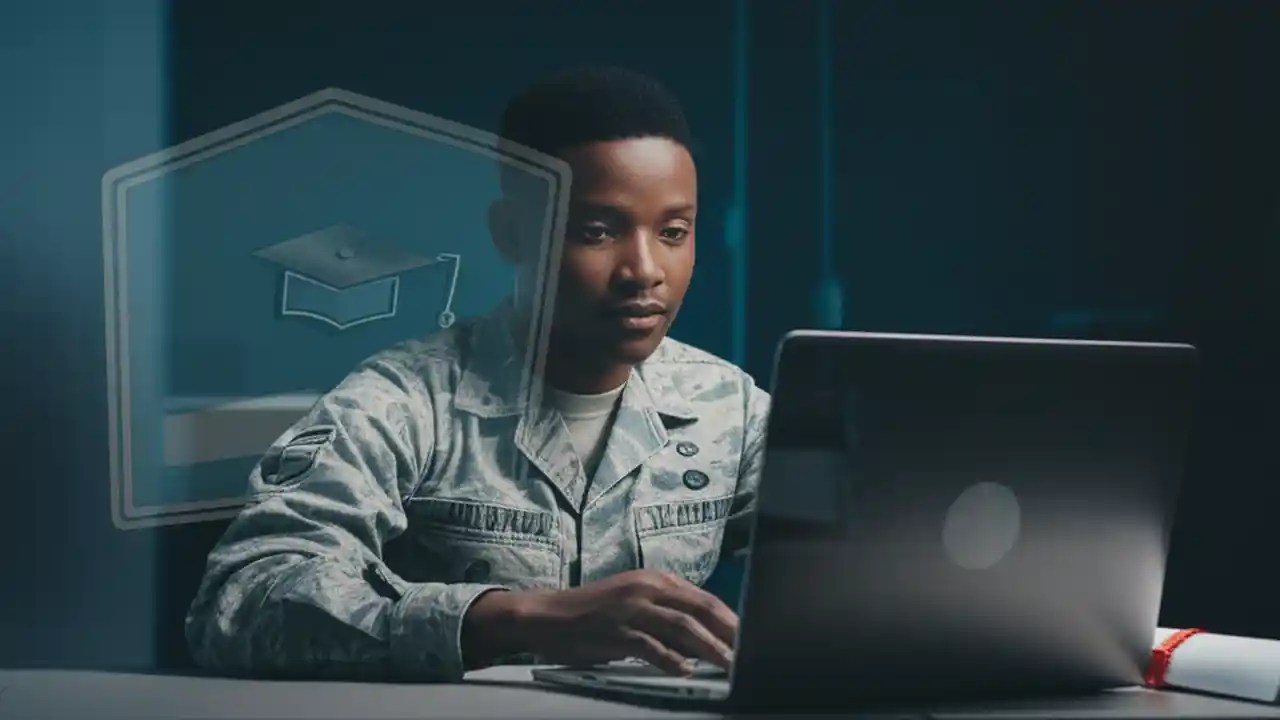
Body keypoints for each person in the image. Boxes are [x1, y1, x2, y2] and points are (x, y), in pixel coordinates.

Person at [185, 66, 771, 682]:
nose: (645, 270)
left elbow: (833, 577)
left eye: (674, 232)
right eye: (597, 232)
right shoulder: (405, 401)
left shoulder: (729, 409)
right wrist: (512, 619)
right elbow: (239, 602)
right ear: (512, 234)